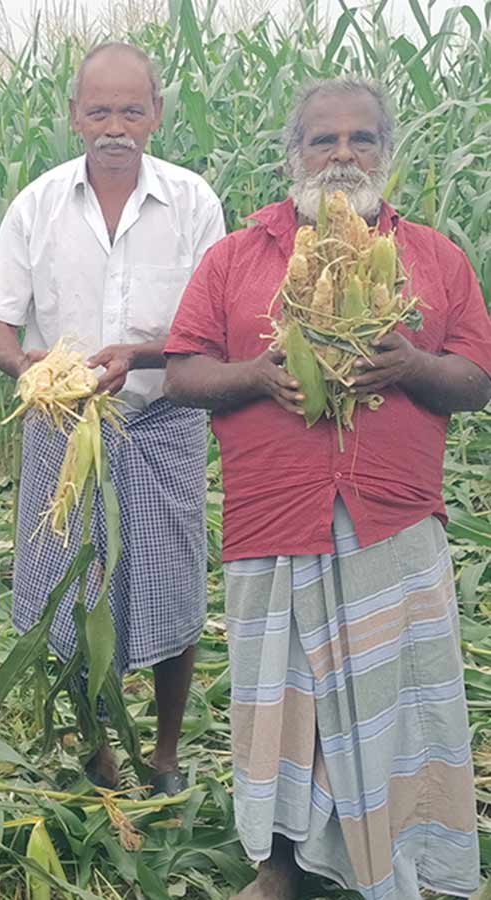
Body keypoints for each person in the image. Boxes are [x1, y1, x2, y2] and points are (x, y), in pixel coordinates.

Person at [164, 78, 488, 900]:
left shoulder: (432, 260)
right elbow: (183, 371)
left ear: (387, 152)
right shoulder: (237, 257)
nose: (343, 156)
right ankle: (283, 869)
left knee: (398, 700)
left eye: (361, 140)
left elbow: (476, 375)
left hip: (391, 518)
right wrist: (256, 376)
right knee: (282, 708)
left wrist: (411, 365)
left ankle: (405, 860)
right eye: (323, 141)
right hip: (275, 515)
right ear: (293, 156)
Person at [0, 43, 224, 795]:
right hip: (61, 428)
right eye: (100, 110)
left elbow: (213, 330)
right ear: (74, 114)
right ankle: (96, 750)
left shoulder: (193, 203)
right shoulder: (38, 205)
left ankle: (167, 753)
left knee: (175, 584)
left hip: (162, 424)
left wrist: (141, 355)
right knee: (72, 589)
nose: (116, 126)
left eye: (132, 109)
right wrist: (33, 373)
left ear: (157, 114)